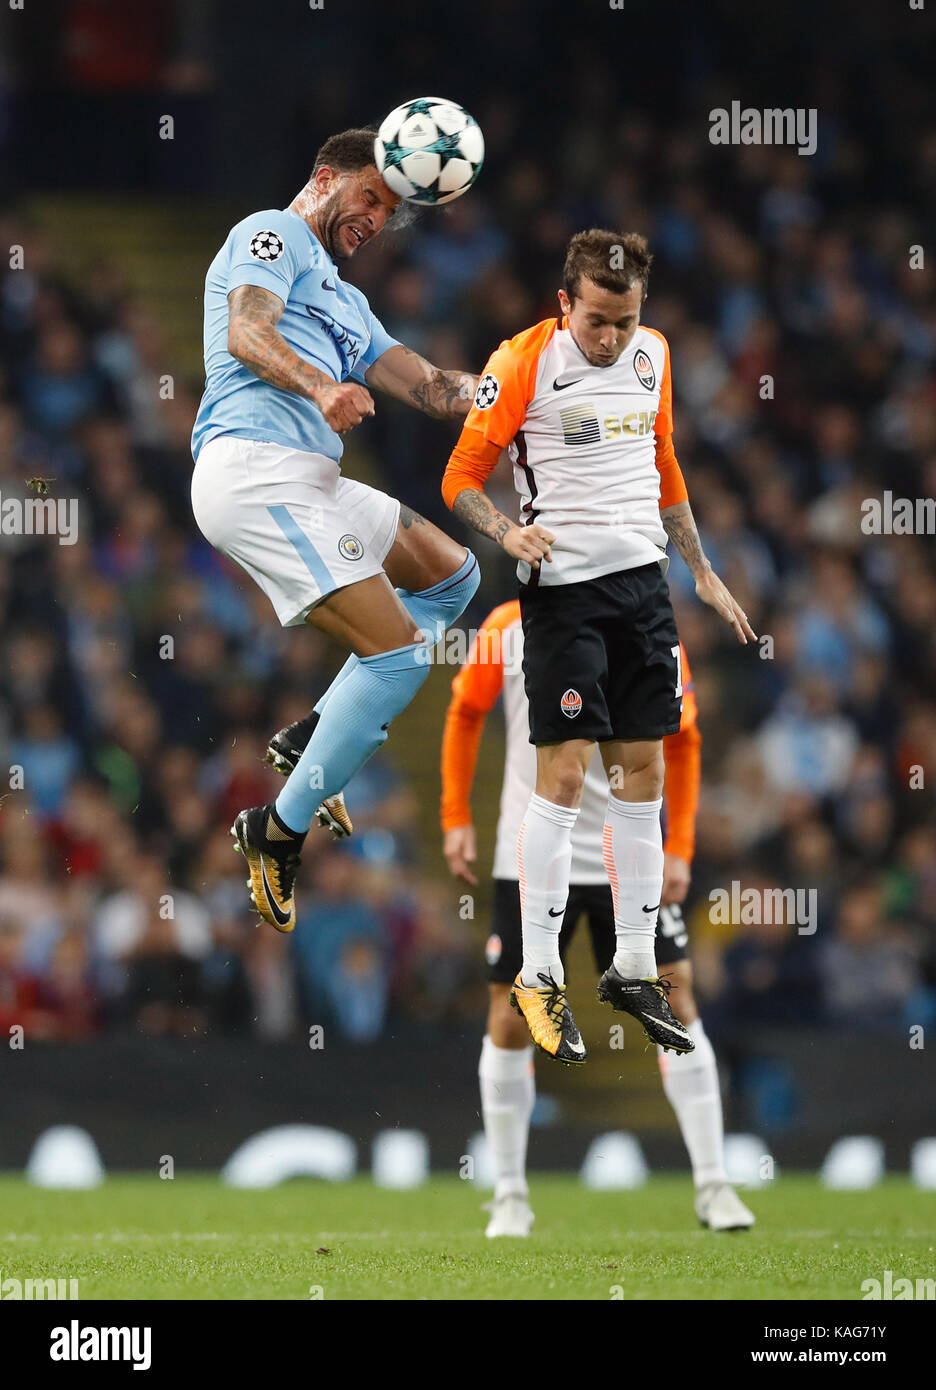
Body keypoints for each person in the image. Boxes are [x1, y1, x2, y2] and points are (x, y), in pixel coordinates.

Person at [442, 228, 755, 1061]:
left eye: (624, 320)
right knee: (567, 769)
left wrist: (705, 573)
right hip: (563, 593)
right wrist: (509, 533)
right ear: (565, 303)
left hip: (642, 586)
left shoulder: (654, 355)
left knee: (642, 773)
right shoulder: (521, 364)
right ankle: (540, 972)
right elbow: (458, 477)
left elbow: (665, 465)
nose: (610, 338)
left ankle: (632, 965)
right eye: (596, 321)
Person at [190, 128, 481, 933]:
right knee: (396, 657)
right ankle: (275, 830)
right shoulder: (270, 232)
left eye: (389, 210)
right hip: (254, 468)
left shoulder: (348, 300)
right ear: (325, 178)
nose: (377, 220)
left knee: (455, 578)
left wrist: (521, 389)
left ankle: (318, 727)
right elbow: (248, 332)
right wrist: (321, 386)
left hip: (308, 476)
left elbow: (426, 385)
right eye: (370, 199)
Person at [441, 602, 755, 1235]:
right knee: (508, 1016)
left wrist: (682, 848)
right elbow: (465, 711)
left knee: (677, 997)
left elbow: (684, 738)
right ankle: (509, 1194)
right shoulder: (507, 627)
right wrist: (455, 816)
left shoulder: (648, 627)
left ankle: (714, 1185)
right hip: (525, 854)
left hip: (627, 862)